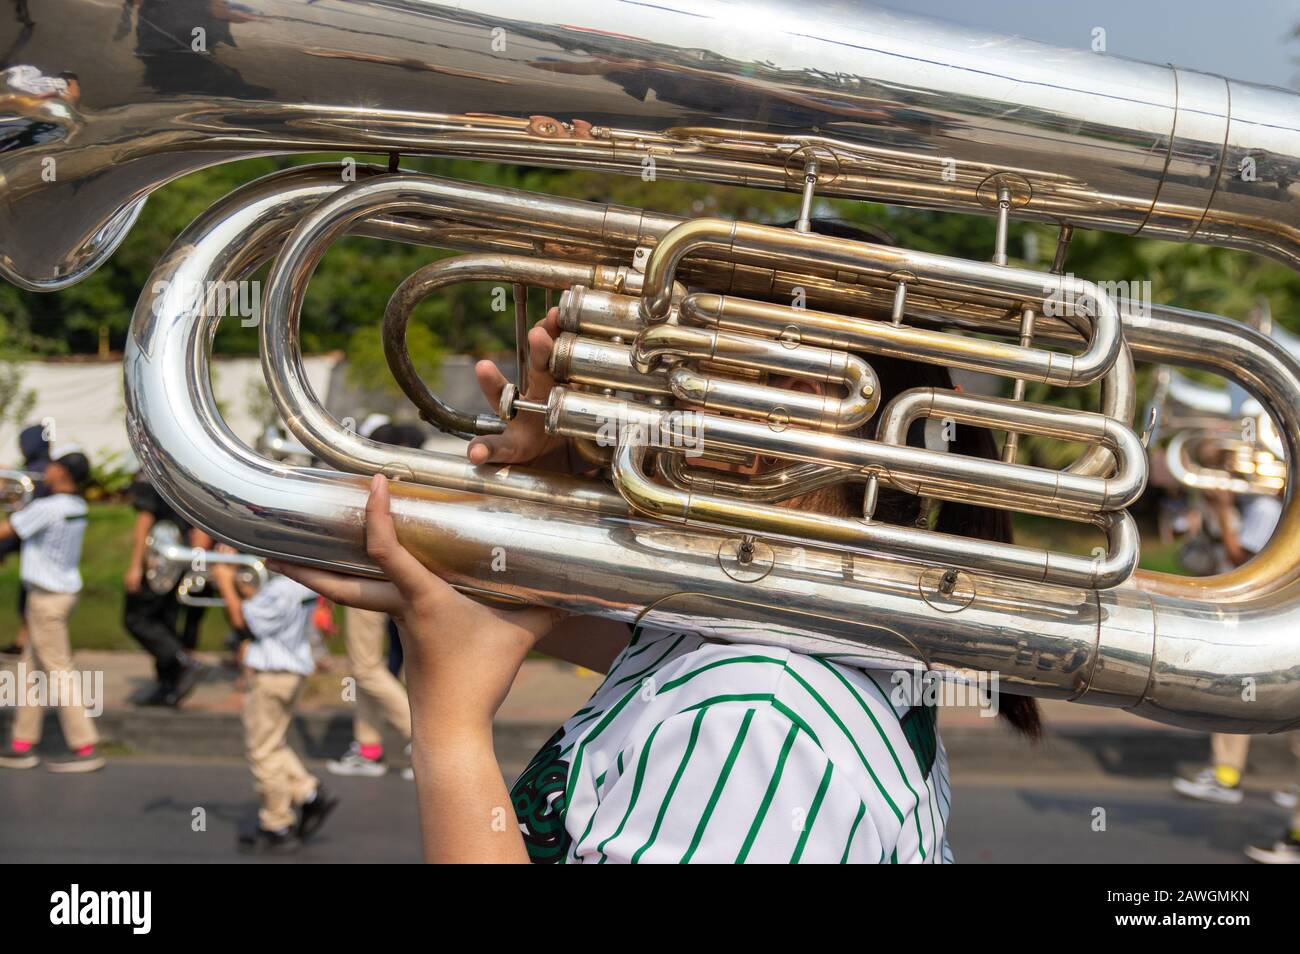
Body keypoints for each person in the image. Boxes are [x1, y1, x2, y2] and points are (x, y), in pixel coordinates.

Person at [278, 257, 1042, 862]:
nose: (640, 406)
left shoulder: (753, 725)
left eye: (677, 374)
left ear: (798, 410)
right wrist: (539, 508)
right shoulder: (760, 631)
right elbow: (551, 621)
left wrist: (448, 726)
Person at [211, 550, 340, 853]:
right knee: (274, 743)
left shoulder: (279, 589)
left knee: (262, 752)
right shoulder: (302, 584)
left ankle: (277, 824)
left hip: (271, 675)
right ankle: (308, 793)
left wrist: (226, 583)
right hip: (293, 671)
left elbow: (242, 622)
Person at [1172, 486, 1284, 808]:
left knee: (1235, 696)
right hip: (1238, 612)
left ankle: (1226, 778)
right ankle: (1226, 775)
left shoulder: (1263, 508)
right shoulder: (1250, 505)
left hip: (1250, 615)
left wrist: (1222, 509)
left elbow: (1241, 560)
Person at [0, 449, 104, 773]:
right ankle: (22, 742)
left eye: (55, 467)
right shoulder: (77, 506)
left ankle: (84, 745)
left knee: (59, 671)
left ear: (63, 473)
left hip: (46, 599)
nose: (48, 470)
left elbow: (6, 532)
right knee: (30, 670)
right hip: (58, 594)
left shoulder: (47, 508)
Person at [326, 422, 417, 778]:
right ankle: (369, 747)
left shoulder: (373, 482)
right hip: (382, 578)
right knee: (364, 667)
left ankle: (421, 738)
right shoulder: (403, 481)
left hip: (367, 579)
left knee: (365, 668)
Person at [122, 474, 207, 706]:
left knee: (136, 619)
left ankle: (182, 662)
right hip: (177, 559)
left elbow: (144, 522)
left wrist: (135, 566)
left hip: (158, 562)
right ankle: (169, 685)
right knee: (165, 622)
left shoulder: (154, 475)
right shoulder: (185, 476)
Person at [0, 423, 51, 656]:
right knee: (28, 595)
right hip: (32, 541)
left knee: (32, 596)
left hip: (35, 541)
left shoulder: (39, 474)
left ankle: (28, 642)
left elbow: (23, 519)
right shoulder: (38, 470)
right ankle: (24, 642)